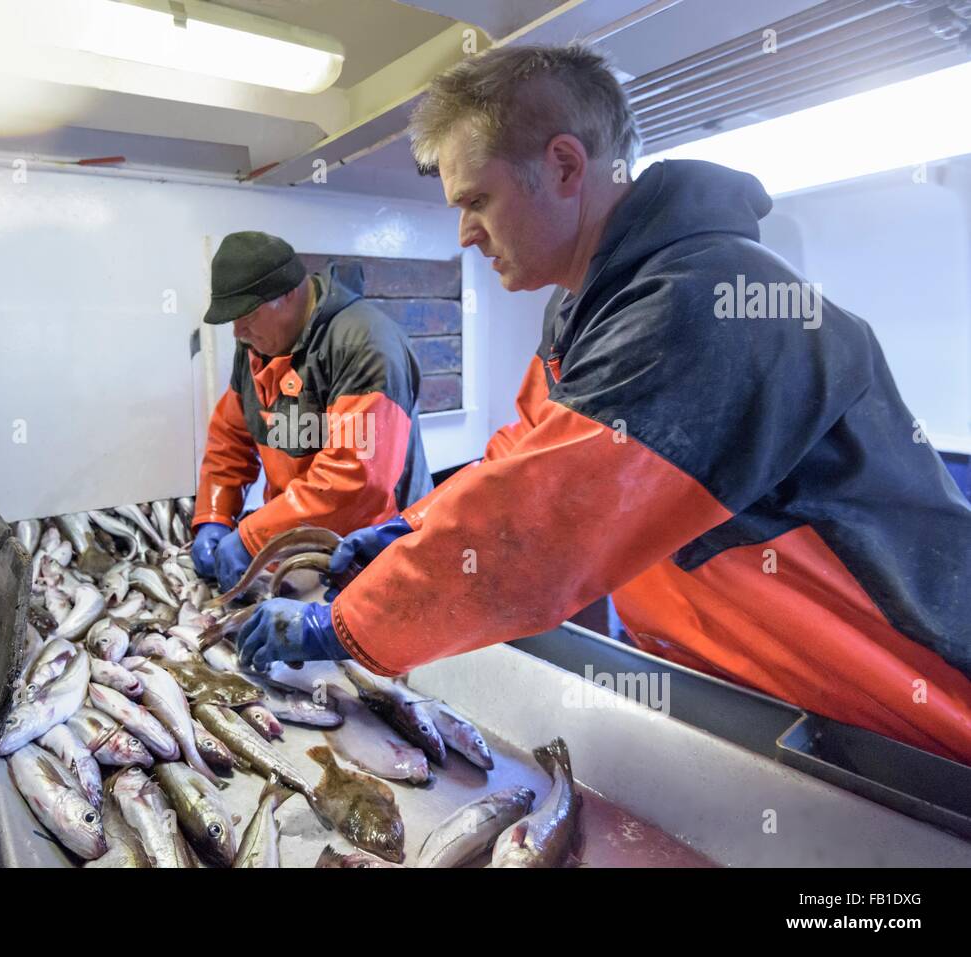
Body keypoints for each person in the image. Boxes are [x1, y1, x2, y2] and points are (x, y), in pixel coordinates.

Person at [234, 44, 971, 764]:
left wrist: (343, 624)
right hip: (759, 702)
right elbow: (518, 460)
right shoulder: (583, 311)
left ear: (563, 166)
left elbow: (540, 525)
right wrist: (406, 527)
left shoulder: (705, 303)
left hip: (913, 712)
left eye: (477, 199)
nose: (463, 232)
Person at [190, 231, 432, 593]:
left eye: (247, 315)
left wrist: (254, 537)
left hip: (379, 549)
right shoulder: (256, 345)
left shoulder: (365, 344)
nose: (238, 331)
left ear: (288, 294)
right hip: (298, 545)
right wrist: (215, 515)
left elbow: (354, 480)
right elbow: (232, 440)